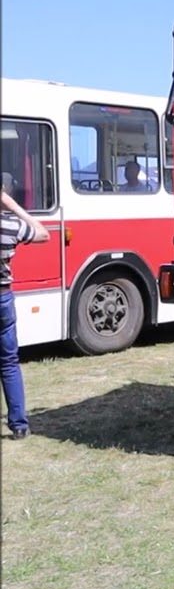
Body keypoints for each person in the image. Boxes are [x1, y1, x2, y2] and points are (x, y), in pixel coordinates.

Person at [1, 174, 51, 439]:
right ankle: (19, 424)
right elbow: (43, 233)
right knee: (9, 363)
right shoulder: (10, 227)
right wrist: (14, 206)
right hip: (3, 299)